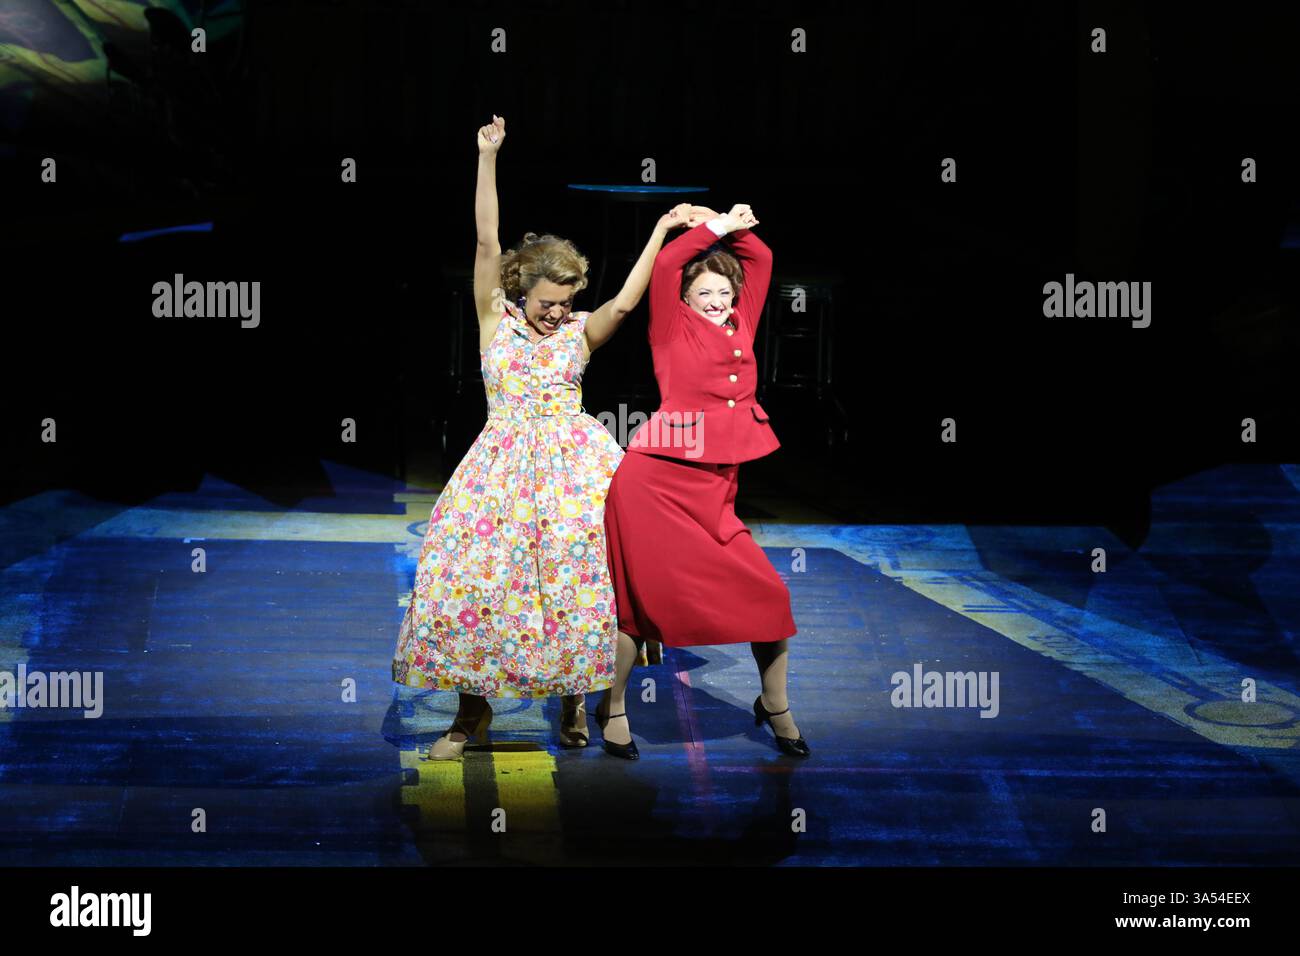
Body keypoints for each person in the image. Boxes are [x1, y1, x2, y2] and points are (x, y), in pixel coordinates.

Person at [392, 114, 691, 758]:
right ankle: (471, 715)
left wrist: (663, 231)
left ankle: (577, 702)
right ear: (520, 291)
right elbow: (484, 242)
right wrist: (487, 157)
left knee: (579, 587)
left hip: (575, 472)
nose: (557, 311)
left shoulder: (579, 331)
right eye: (547, 301)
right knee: (471, 581)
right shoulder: (493, 320)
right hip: (499, 468)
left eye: (566, 299)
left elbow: (626, 304)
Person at [599, 204, 810, 759]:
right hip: (655, 485)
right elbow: (670, 263)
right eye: (705, 295)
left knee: (769, 595)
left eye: (724, 293)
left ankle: (775, 704)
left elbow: (759, 256)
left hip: (715, 495)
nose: (718, 303)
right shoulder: (671, 327)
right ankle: (614, 706)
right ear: (686, 301)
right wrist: (704, 229)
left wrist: (722, 217)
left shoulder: (742, 319)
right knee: (637, 609)